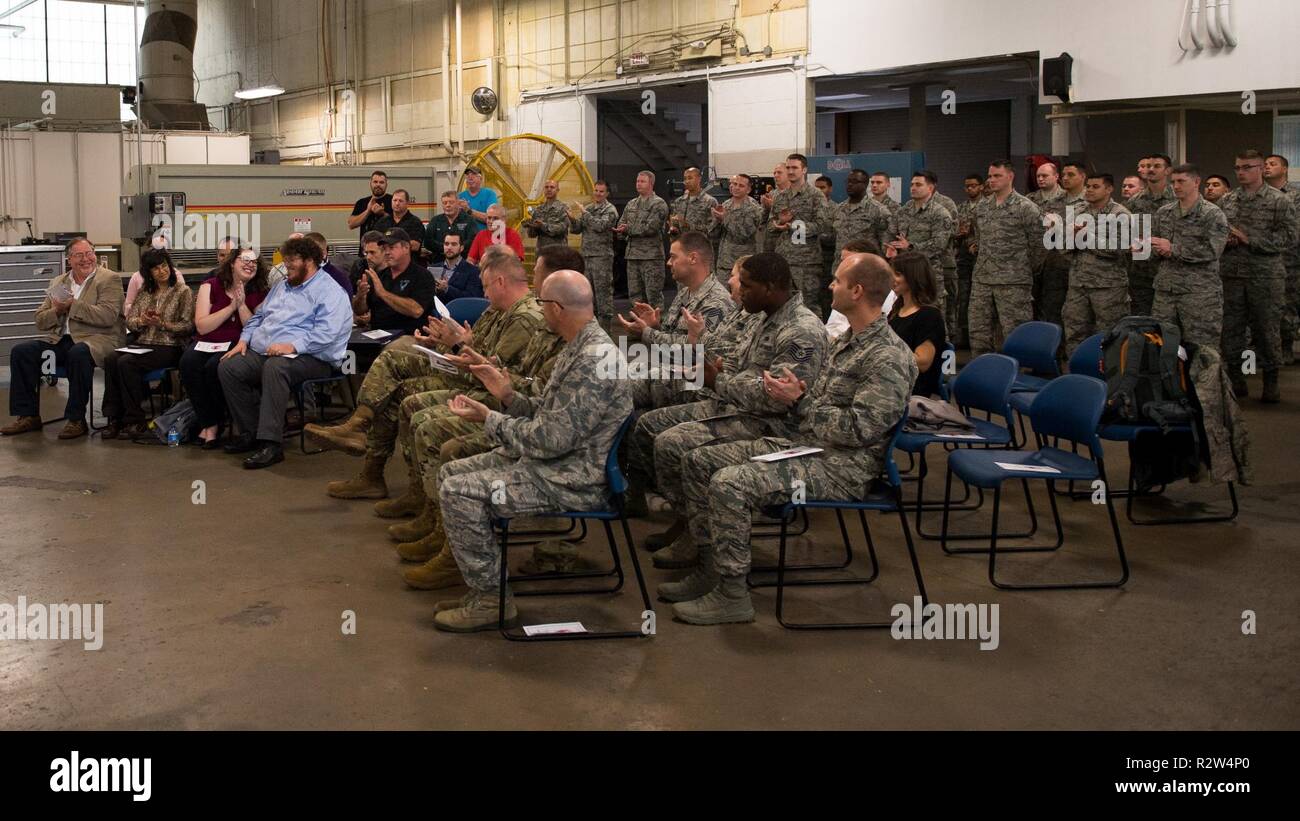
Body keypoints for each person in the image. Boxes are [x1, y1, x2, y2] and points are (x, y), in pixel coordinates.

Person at [662, 253, 916, 625]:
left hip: (843, 466)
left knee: (729, 483)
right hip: (810, 445)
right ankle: (711, 568)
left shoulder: (888, 356)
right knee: (699, 460)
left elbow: (859, 430)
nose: (830, 285)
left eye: (838, 281)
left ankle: (733, 595)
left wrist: (800, 401)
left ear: (857, 291)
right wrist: (796, 400)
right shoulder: (849, 340)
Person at [433, 270, 632, 632]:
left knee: (457, 491)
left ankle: (494, 600)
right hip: (552, 463)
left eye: (541, 303)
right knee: (450, 472)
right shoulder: (580, 346)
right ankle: (484, 587)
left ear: (555, 308)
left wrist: (491, 418)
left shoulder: (593, 359)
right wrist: (507, 395)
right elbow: (547, 413)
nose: (539, 311)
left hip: (571, 478)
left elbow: (550, 438)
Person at [393, 247, 580, 584]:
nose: (531, 286)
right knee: (429, 425)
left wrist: (493, 412)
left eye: (537, 279)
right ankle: (443, 533)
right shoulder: (550, 329)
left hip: (558, 460)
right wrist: (484, 369)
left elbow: (554, 425)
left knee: (446, 446)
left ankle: (474, 573)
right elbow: (523, 384)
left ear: (558, 301)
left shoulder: (576, 346)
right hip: (520, 420)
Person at [634, 251, 828, 570]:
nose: (738, 290)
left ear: (771, 287)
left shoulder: (800, 330)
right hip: (740, 408)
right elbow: (740, 362)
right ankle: (692, 525)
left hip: (776, 429)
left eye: (747, 285)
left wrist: (719, 379)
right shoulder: (763, 315)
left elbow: (774, 398)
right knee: (659, 435)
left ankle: (703, 543)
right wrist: (717, 368)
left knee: (678, 447)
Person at [309, 245, 543, 498]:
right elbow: (477, 347)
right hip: (467, 370)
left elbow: (490, 368)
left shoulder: (523, 317)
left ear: (500, 281)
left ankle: (374, 450)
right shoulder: (497, 309)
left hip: (485, 386)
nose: (484, 293)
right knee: (394, 369)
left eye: (486, 286)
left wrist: (456, 343)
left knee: (398, 372)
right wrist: (442, 341)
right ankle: (370, 460)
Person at [217, 236, 353, 468]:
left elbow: (328, 333)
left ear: (309, 261)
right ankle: (251, 432)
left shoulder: (329, 290)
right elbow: (259, 316)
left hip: (313, 356)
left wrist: (293, 346)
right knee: (229, 367)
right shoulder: (282, 286)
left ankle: (271, 444)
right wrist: (244, 339)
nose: (286, 267)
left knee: (276, 367)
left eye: (291, 263)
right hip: (269, 351)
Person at [1, 238, 125, 439]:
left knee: (78, 353)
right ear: (69, 260)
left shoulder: (109, 279)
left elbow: (108, 316)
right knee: (21, 352)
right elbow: (40, 321)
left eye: (89, 253)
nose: (86, 259)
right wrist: (57, 311)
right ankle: (28, 415)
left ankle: (76, 419)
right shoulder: (58, 282)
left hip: (98, 339)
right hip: (61, 341)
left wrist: (72, 306)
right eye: (79, 255)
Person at [618, 231, 735, 412]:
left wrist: (647, 332)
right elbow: (673, 337)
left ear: (693, 258)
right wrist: (654, 326)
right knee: (617, 376)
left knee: (615, 392)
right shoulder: (685, 292)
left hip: (693, 379)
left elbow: (692, 350)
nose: (668, 263)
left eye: (673, 257)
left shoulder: (716, 302)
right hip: (669, 366)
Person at [1218, 149, 1298, 402]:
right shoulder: (1228, 201)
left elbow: (1289, 238)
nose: (1242, 172)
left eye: (1247, 167)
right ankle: (1237, 380)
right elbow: (1215, 233)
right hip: (1231, 275)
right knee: (1231, 331)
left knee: (1266, 329)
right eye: (1238, 168)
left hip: (1265, 276)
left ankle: (1270, 381)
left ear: (1261, 168)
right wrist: (1226, 241)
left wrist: (1249, 240)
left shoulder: (1279, 200)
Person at [101, 249, 195, 440]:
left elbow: (187, 326)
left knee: (127, 362)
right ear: (148, 273)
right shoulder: (145, 292)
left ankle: (135, 420)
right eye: (156, 269)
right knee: (111, 359)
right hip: (144, 342)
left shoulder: (182, 291)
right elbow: (130, 321)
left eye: (164, 266)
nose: (162, 271)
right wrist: (142, 321)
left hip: (170, 345)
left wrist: (163, 324)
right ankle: (114, 418)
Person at [181, 246, 270, 448]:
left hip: (236, 342)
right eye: (245, 260)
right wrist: (230, 307)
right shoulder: (210, 285)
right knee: (188, 363)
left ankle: (219, 421)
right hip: (206, 341)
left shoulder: (259, 291)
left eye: (254, 262)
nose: (250, 265)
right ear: (232, 263)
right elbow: (202, 326)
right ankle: (209, 422)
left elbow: (254, 328)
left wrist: (241, 305)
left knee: (216, 367)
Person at [1150, 163, 1229, 357]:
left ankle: (1205, 388)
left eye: (1181, 181)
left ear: (1196, 182)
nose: (1176, 186)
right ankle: (1173, 386)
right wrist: (1145, 247)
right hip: (1166, 292)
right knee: (1163, 346)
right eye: (1173, 182)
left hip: (1199, 294)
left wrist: (1173, 249)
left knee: (1202, 350)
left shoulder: (1212, 213)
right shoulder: (1164, 212)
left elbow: (1213, 250)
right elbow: (1156, 248)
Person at [968, 160, 1044, 356]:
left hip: (1013, 281)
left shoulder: (1026, 207)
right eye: (990, 176)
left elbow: (1039, 246)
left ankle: (1017, 379)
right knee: (979, 333)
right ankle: (982, 375)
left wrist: (1021, 269)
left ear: (1010, 177)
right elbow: (979, 239)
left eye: (997, 176)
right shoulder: (982, 207)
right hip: (982, 279)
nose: (991, 180)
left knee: (1015, 334)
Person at [1061, 173, 1132, 352]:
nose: (1089, 190)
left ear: (1108, 189)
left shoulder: (1120, 214)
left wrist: (1086, 236)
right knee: (1074, 329)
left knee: (1110, 333)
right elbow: (1063, 248)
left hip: (1108, 287)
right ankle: (1077, 372)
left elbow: (1120, 248)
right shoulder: (1077, 211)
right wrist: (1067, 235)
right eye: (1088, 186)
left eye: (1095, 187)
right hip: (1078, 283)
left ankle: (1109, 376)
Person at [767, 153, 832, 316]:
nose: (790, 171)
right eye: (788, 167)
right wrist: (778, 225)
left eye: (794, 168)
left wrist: (793, 226)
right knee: (782, 305)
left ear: (804, 170)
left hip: (806, 263)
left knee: (809, 306)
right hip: (783, 259)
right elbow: (770, 225)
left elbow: (823, 224)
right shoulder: (779, 196)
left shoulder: (815, 195)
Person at [885, 170, 954, 314]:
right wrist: (892, 248)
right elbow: (890, 233)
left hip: (928, 274)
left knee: (932, 314)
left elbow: (939, 245)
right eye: (912, 184)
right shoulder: (904, 210)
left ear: (930, 188)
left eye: (918, 184)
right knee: (905, 312)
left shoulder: (940, 213)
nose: (913, 188)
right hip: (905, 275)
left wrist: (910, 246)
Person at [352, 228, 438, 336]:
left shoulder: (422, 276)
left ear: (406, 247)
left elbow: (416, 310)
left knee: (387, 351)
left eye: (391, 248)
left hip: (410, 335)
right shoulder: (379, 276)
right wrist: (361, 295)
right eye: (384, 248)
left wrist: (383, 293)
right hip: (376, 334)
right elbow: (359, 311)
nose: (387, 252)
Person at [888, 251, 947, 397]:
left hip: (910, 389)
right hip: (892, 380)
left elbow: (922, 362)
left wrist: (882, 354)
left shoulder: (929, 316)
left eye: (897, 274)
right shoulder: (897, 310)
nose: (891, 279)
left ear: (913, 277)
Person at [1126, 153, 1175, 315]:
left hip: (1171, 272)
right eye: (1148, 166)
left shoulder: (1177, 198)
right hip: (1141, 272)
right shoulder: (1134, 201)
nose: (1151, 170)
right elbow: (1127, 231)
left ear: (1168, 171)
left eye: (1156, 166)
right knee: (1142, 321)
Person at [615, 170, 670, 310]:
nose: (638, 184)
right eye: (637, 181)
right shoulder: (632, 204)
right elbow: (621, 224)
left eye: (642, 181)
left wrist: (628, 230)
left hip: (651, 257)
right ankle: (639, 329)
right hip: (633, 256)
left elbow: (650, 228)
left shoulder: (658, 204)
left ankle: (655, 328)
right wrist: (623, 231)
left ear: (651, 183)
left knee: (653, 296)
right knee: (635, 296)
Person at [1264, 154, 1300, 365]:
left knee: (1287, 305)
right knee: (1265, 308)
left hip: (1290, 260)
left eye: (1273, 164)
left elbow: (1293, 230)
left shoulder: (1295, 195)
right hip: (1262, 261)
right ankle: (1267, 350)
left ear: (1285, 169)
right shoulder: (1262, 196)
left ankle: (1286, 348)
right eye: (1266, 164)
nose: (1268, 167)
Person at [568, 179, 619, 327]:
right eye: (596, 190)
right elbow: (577, 229)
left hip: (602, 258)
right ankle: (591, 330)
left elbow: (600, 226)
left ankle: (606, 331)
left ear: (607, 193)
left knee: (603, 295)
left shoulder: (610, 210)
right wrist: (572, 218)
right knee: (588, 295)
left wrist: (584, 213)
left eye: (601, 191)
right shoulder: (589, 208)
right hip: (587, 257)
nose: (598, 193)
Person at [1028, 161, 1071, 332]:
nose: (1040, 179)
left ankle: (1057, 350)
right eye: (1038, 176)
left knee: (1055, 308)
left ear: (1056, 176)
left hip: (1059, 261)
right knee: (1033, 307)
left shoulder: (1068, 199)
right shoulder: (1030, 200)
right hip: (1035, 262)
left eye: (1044, 175)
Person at [708, 173, 764, 285]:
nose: (736, 187)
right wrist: (717, 221)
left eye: (741, 185)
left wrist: (724, 219)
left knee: (742, 298)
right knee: (723, 299)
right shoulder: (726, 205)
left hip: (743, 264)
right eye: (734, 184)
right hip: (724, 263)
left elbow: (743, 235)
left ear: (748, 190)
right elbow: (713, 234)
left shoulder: (754, 208)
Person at [830, 169, 891, 269]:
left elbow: (885, 245)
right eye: (848, 181)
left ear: (865, 185)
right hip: (841, 267)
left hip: (865, 268)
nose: (850, 184)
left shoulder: (878, 210)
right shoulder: (839, 209)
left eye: (855, 182)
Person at [952, 172, 985, 348]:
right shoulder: (961, 208)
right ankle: (963, 337)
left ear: (981, 187)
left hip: (982, 260)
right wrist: (959, 234)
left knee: (980, 301)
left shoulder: (987, 205)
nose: (970, 189)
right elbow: (954, 232)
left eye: (973, 185)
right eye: (967, 186)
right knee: (962, 298)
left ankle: (980, 339)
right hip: (963, 259)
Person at [425, 192, 475, 266]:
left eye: (451, 202)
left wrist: (455, 249)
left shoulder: (469, 220)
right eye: (445, 203)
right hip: (438, 263)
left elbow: (472, 240)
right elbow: (428, 242)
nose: (448, 205)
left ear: (458, 204)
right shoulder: (435, 220)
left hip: (463, 264)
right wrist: (447, 248)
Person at [669, 167, 718, 239]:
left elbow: (714, 231)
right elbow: (676, 229)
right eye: (685, 178)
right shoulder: (679, 201)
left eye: (690, 178)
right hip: (683, 245)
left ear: (699, 179)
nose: (687, 181)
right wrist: (673, 228)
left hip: (700, 246)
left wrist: (687, 225)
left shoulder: (710, 201)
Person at [374, 189, 427, 256]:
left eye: (400, 201)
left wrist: (387, 243)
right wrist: (402, 243)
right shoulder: (382, 222)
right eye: (395, 200)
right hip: (386, 262)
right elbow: (376, 243)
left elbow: (415, 246)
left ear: (407, 203)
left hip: (409, 263)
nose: (397, 203)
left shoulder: (415, 222)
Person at [431, 233, 482, 301]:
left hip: (459, 310)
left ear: (461, 248)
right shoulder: (433, 268)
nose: (449, 247)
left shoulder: (473, 271)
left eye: (454, 244)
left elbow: (472, 298)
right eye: (446, 244)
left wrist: (447, 289)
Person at [348, 170, 393, 243]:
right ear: (370, 184)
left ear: (386, 185)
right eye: (375, 182)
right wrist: (368, 211)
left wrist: (383, 214)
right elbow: (351, 224)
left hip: (386, 249)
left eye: (381, 182)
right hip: (366, 250)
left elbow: (399, 224)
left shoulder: (394, 201)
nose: (378, 185)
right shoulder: (361, 202)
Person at [524, 179, 570, 249]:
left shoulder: (564, 208)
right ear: (544, 190)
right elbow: (532, 235)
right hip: (542, 252)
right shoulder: (538, 209)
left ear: (557, 190)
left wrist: (542, 225)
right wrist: (531, 226)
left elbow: (561, 228)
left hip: (559, 252)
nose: (549, 189)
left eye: (552, 187)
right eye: (546, 187)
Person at [457, 166, 499, 235]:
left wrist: (469, 210)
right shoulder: (460, 196)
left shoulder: (490, 194)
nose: (470, 178)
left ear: (480, 178)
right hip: (466, 239)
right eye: (468, 176)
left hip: (485, 237)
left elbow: (492, 219)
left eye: (474, 175)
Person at [348, 231, 387, 299]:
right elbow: (351, 294)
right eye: (366, 253)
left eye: (372, 252)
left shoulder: (394, 269)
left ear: (385, 251)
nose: (368, 257)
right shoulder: (359, 266)